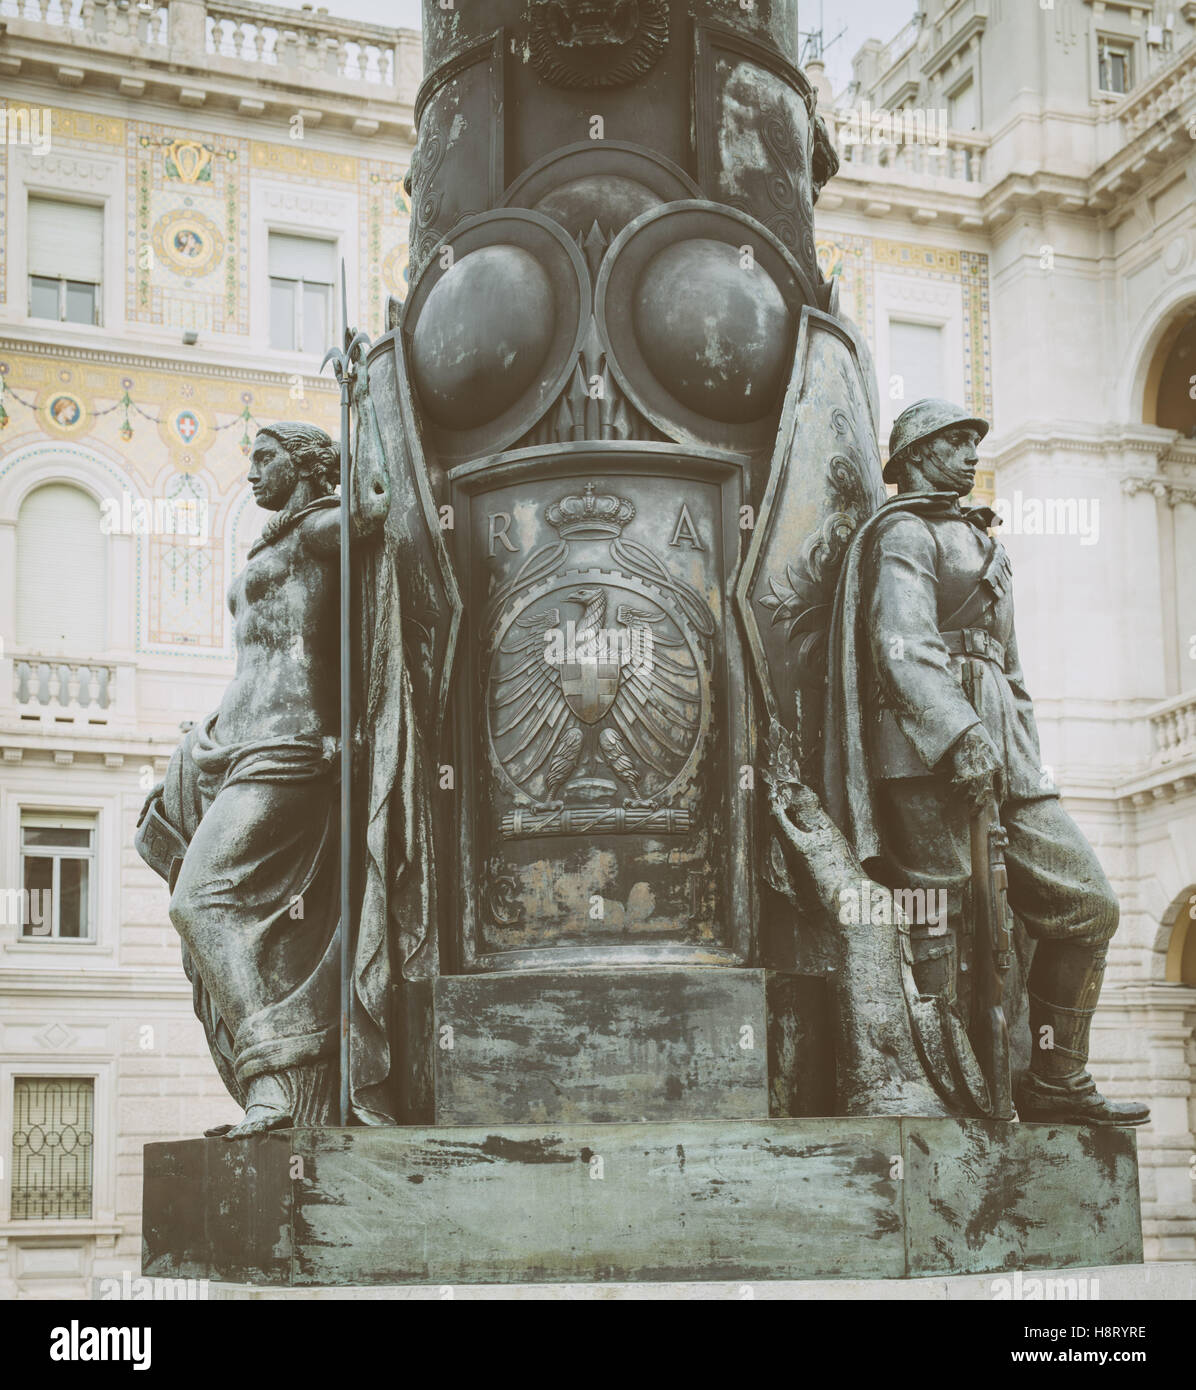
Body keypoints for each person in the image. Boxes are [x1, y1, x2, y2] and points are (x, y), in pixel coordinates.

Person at [821, 398, 1150, 1126]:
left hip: (1007, 757)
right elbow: (901, 645)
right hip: (923, 755)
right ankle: (933, 1083)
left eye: (974, 442)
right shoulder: (902, 531)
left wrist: (1022, 757)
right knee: (933, 916)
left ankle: (1055, 1080)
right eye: (954, 443)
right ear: (911, 457)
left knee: (1087, 905)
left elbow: (1014, 671)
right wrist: (959, 735)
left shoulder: (984, 543)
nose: (972, 455)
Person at [136, 373, 392, 1136]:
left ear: (308, 465)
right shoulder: (278, 540)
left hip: (288, 746)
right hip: (232, 741)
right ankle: (276, 1084)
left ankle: (273, 1079)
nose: (249, 471)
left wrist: (375, 420)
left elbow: (381, 511)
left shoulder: (317, 530)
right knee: (208, 895)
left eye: (264, 456)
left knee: (199, 901)